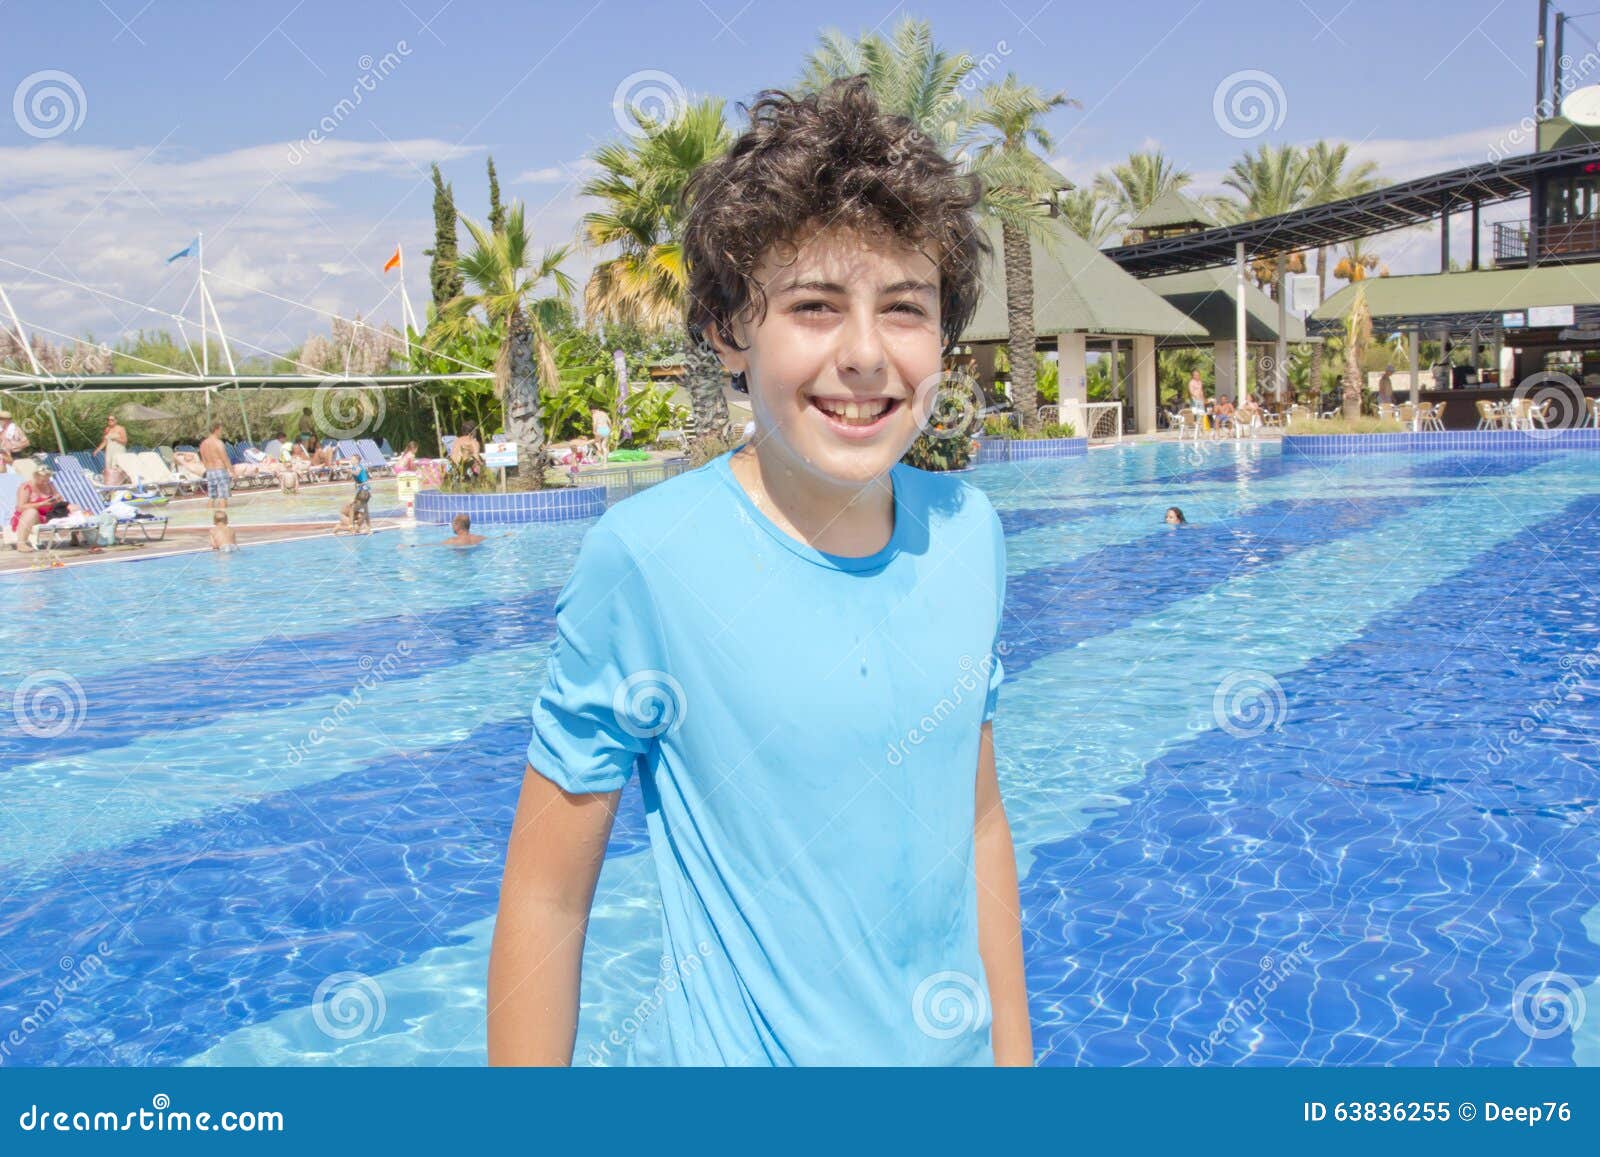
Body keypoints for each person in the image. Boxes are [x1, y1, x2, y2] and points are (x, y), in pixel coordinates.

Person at [489, 77, 1028, 1068]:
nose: (865, 354)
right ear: (731, 330)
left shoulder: (968, 532)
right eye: (815, 307)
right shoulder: (649, 559)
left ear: (943, 337)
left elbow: (978, 824)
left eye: (903, 309)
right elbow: (546, 894)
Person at [11, 466, 69, 551]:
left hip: (49, 515)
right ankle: (21, 544)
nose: (45, 483)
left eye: (47, 480)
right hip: (30, 517)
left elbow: (59, 500)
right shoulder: (26, 487)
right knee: (32, 512)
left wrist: (57, 499)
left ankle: (79, 538)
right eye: (42, 481)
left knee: (73, 508)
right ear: (35, 477)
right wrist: (42, 504)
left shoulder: (49, 485)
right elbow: (20, 507)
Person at [400, 512, 509, 549]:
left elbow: (431, 545)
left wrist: (410, 546)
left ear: (457, 526)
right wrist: (506, 535)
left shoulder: (453, 541)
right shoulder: (478, 538)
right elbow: (495, 539)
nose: (452, 526)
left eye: (453, 524)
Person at [197, 423, 232, 513]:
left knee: (212, 497)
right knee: (223, 497)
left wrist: (208, 468)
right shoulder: (218, 442)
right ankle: (223, 519)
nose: (221, 432)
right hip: (220, 470)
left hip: (209, 472)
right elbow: (225, 458)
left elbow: (203, 460)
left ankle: (209, 518)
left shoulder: (203, 444)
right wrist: (232, 471)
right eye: (221, 430)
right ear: (216, 430)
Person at [97, 414, 131, 486]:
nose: (110, 421)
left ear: (116, 420)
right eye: (108, 420)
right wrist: (97, 450)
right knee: (109, 468)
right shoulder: (107, 429)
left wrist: (116, 439)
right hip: (109, 451)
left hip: (118, 450)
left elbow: (125, 441)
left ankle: (123, 483)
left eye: (112, 420)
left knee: (118, 467)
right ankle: (112, 485)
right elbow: (104, 441)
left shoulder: (121, 428)